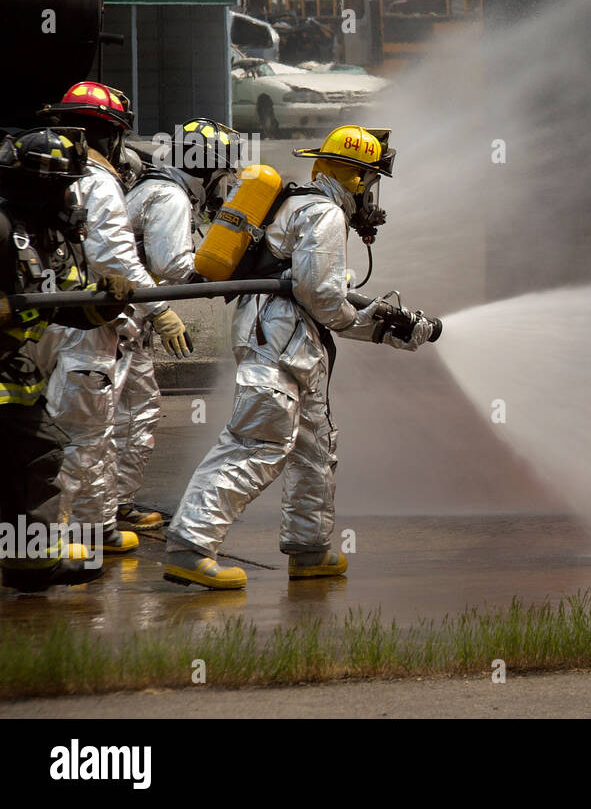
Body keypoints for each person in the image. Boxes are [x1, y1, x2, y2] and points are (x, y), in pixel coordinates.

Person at [165, 125, 437, 590]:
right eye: (370, 182)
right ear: (354, 178)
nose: (371, 196)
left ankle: (310, 549)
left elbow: (318, 296)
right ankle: (190, 547)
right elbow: (323, 297)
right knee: (258, 444)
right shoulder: (324, 213)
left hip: (295, 348)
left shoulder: (299, 205)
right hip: (279, 348)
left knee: (315, 447)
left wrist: (387, 327)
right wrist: (375, 323)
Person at [37, 82, 192, 559]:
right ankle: (46, 543)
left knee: (94, 431)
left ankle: (95, 528)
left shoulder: (51, 175)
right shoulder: (99, 182)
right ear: (110, 136)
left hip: (54, 321)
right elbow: (117, 260)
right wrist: (161, 311)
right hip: (88, 329)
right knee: (81, 434)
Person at [0, 128, 132, 592]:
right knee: (30, 457)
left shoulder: (50, 235)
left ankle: (30, 565)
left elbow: (66, 305)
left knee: (33, 458)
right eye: (59, 186)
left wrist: (107, 302)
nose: (68, 196)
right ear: (32, 186)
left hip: (13, 376)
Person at [112, 118, 237, 530]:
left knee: (123, 411)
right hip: (121, 322)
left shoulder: (153, 185)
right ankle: (108, 509)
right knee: (136, 412)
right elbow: (173, 265)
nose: (223, 183)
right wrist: (224, 271)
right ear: (205, 169)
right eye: (221, 173)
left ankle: (106, 504)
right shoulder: (170, 198)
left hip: (122, 318)